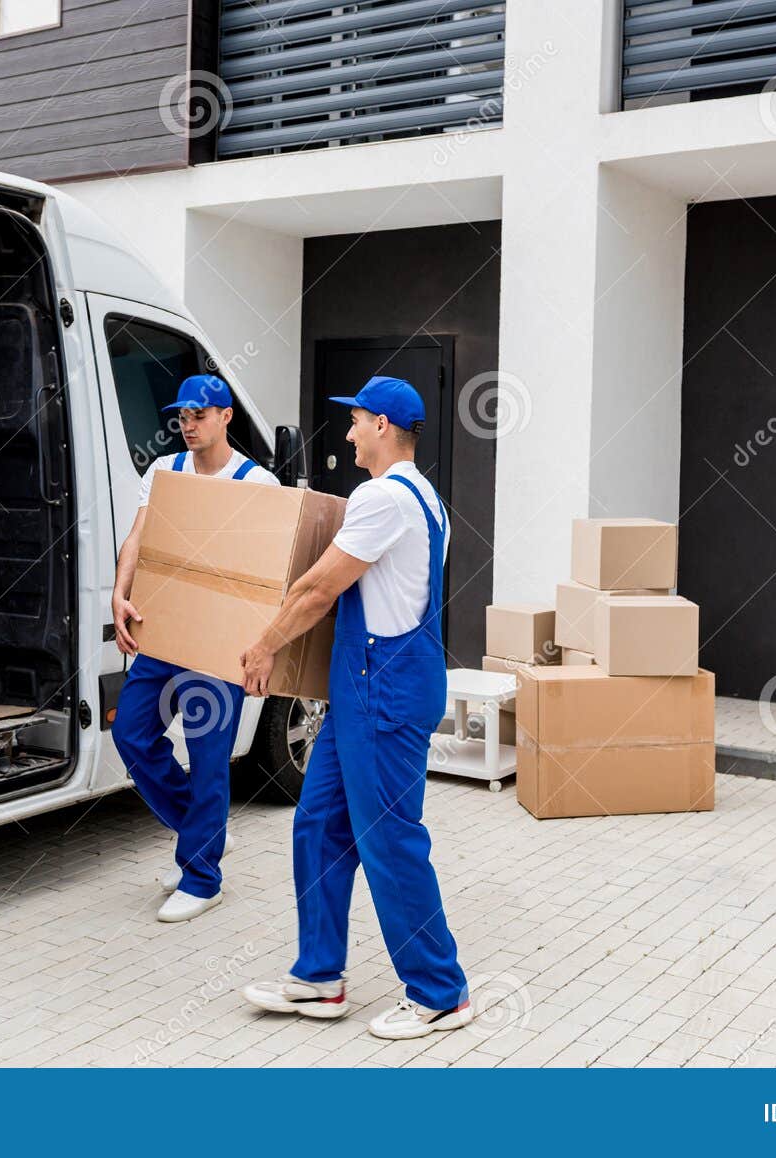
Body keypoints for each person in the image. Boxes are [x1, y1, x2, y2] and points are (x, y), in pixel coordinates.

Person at [237, 376, 472, 1041]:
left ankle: (439, 992)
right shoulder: (426, 499)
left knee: (390, 839)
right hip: (369, 686)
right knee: (317, 824)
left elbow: (317, 589)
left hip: (384, 689)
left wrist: (263, 648)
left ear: (383, 427)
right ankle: (320, 977)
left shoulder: (381, 497)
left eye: (356, 421)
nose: (347, 433)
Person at [111, 374, 279, 922]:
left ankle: (203, 878)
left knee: (209, 756)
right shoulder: (164, 471)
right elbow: (138, 538)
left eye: (199, 415)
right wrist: (120, 594)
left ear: (226, 416)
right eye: (182, 416)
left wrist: (264, 647)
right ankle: (202, 830)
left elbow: (270, 575)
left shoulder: (260, 483)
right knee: (132, 733)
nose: (187, 425)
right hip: (165, 629)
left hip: (221, 642)